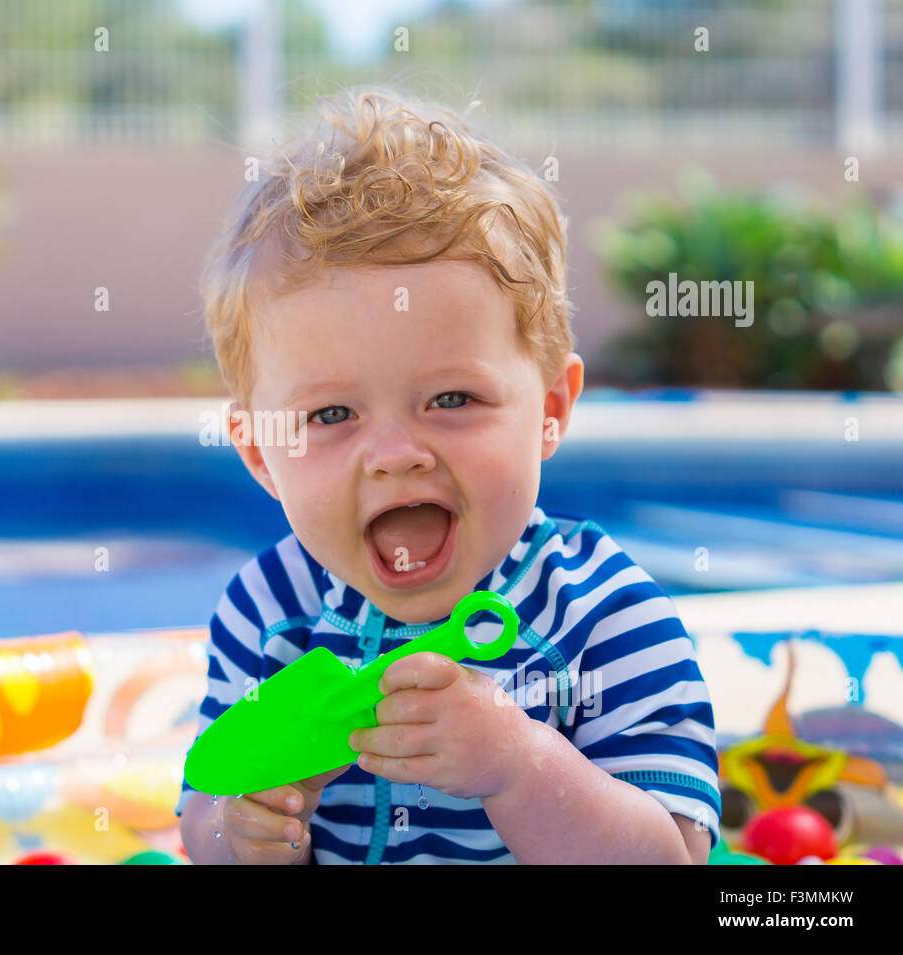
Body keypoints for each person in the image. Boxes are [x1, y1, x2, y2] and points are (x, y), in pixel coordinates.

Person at [175, 86, 720, 864]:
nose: (397, 453)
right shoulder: (268, 614)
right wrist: (244, 833)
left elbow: (673, 857)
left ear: (550, 410)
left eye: (453, 398)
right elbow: (203, 810)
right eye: (331, 416)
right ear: (261, 450)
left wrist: (519, 765)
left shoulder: (606, 616)